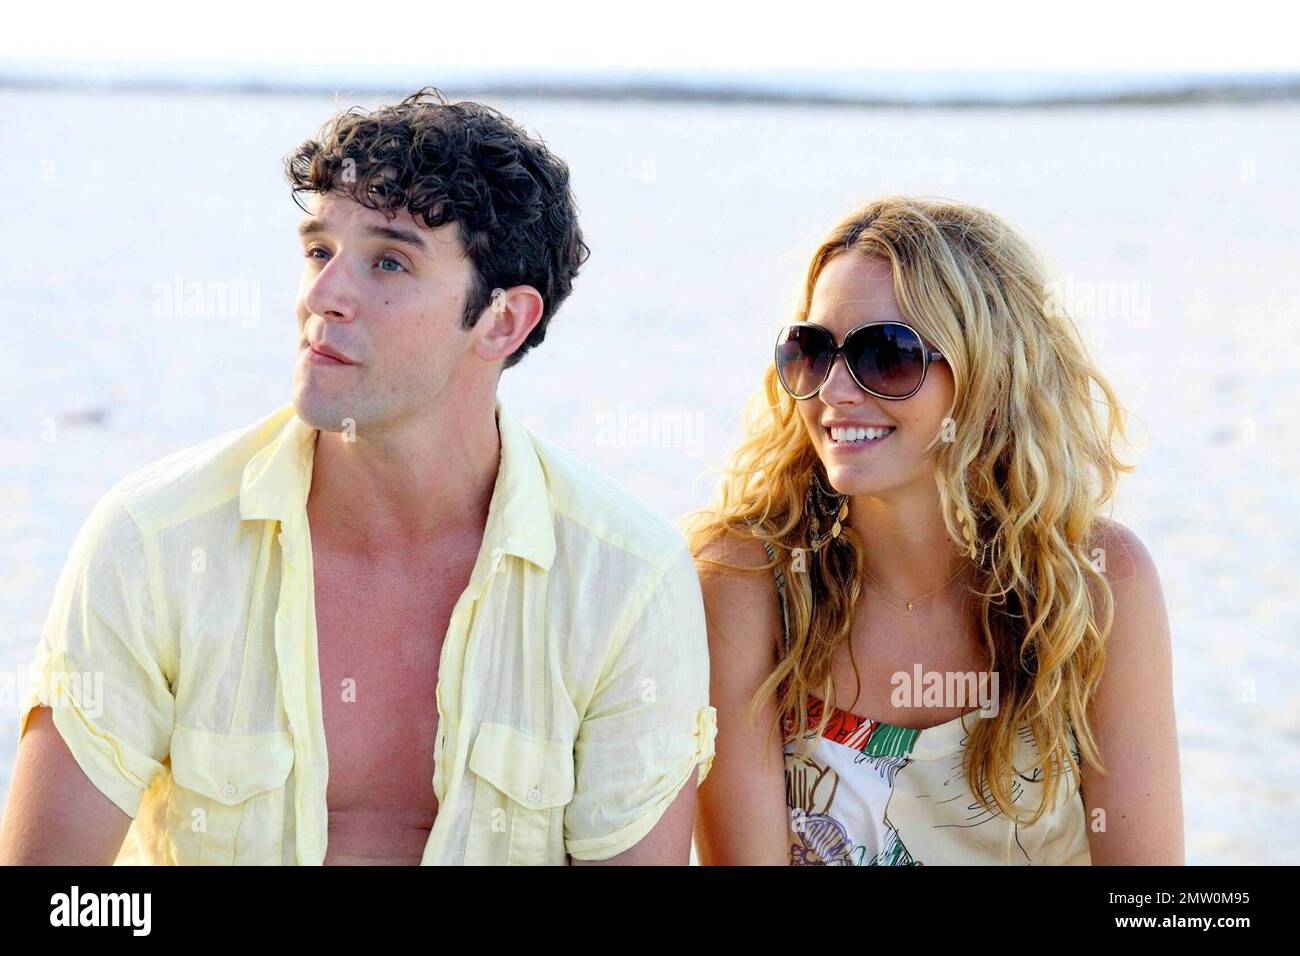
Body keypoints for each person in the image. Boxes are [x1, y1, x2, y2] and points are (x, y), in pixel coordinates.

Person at [0, 88, 715, 866]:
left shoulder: (625, 581)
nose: (323, 296)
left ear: (503, 321)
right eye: (318, 251)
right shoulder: (153, 542)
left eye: (389, 261)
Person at [688, 196, 1182, 865]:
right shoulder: (748, 582)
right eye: (812, 351)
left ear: (989, 375)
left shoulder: (1097, 582)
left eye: (886, 355)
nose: (834, 389)